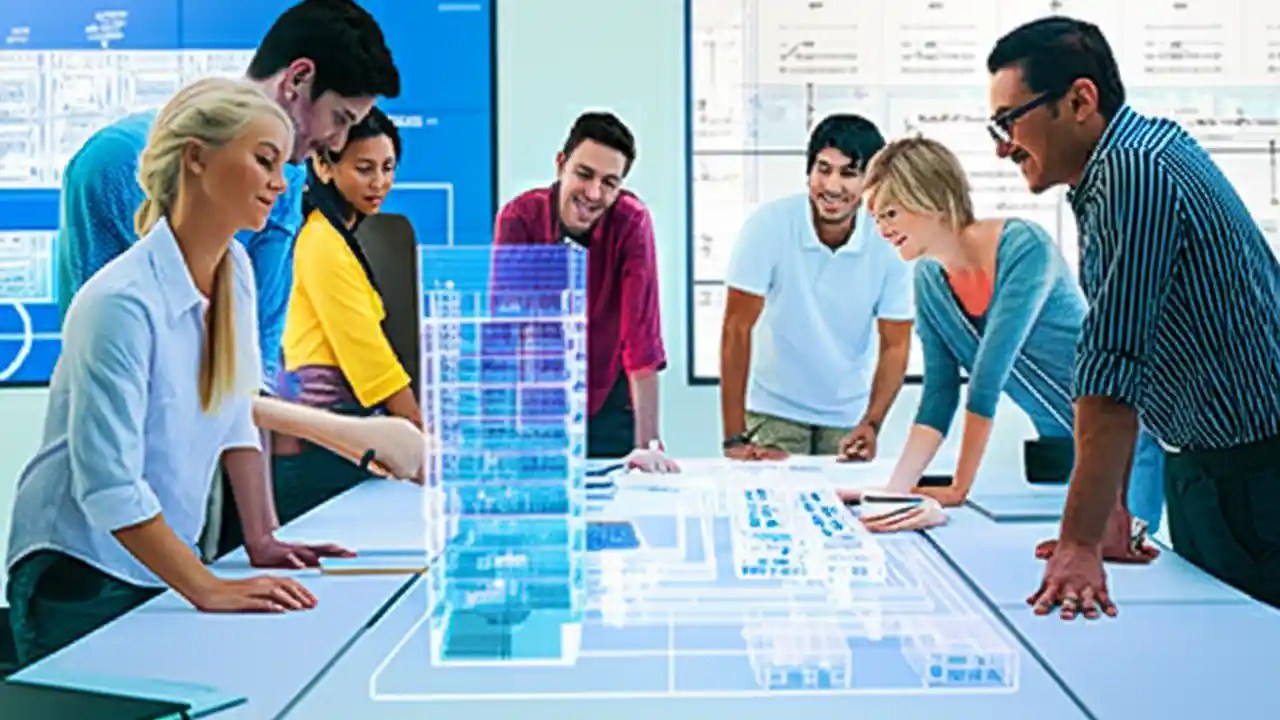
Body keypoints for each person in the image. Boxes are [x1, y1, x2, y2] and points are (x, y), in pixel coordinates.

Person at [5, 78, 352, 668]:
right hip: (80, 570)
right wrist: (205, 585)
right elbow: (109, 488)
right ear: (196, 158)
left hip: (158, 559)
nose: (279, 181)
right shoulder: (120, 301)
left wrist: (261, 537)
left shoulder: (234, 269)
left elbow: (234, 409)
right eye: (264, 160)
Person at [986, 17, 1280, 619]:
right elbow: (1139, 350)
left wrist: (1078, 542)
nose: (1002, 144)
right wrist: (1111, 511)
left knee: (1248, 673)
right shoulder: (1136, 155)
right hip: (1214, 468)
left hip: (1254, 481)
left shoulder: (1131, 172)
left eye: (1009, 119)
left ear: (1079, 100)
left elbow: (1113, 365)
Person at [842, 135, 1165, 550]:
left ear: (932, 201)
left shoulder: (1023, 248)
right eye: (876, 219)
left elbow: (988, 377)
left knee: (1136, 560)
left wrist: (959, 489)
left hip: (1128, 437)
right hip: (1074, 451)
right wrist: (892, 494)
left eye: (890, 213)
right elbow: (938, 395)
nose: (882, 230)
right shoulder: (928, 280)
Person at [719, 114, 913, 460]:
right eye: (823, 169)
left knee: (843, 512)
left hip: (848, 417)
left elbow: (895, 345)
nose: (832, 186)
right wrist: (734, 437)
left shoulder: (889, 239)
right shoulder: (769, 226)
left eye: (849, 173)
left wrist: (872, 423)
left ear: (873, 181)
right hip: (773, 411)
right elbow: (736, 328)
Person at [493, 111, 676, 472]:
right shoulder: (519, 220)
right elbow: (508, 333)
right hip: (538, 404)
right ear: (561, 164)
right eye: (584, 174)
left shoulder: (631, 222)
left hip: (609, 400)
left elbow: (642, 340)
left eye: (610, 182)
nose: (594, 194)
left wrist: (649, 444)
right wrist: (501, 433)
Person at [270, 106, 420, 530]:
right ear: (324, 164)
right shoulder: (321, 242)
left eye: (388, 167)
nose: (379, 183)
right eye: (364, 168)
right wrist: (424, 446)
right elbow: (373, 365)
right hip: (319, 458)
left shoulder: (337, 236)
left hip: (337, 447)